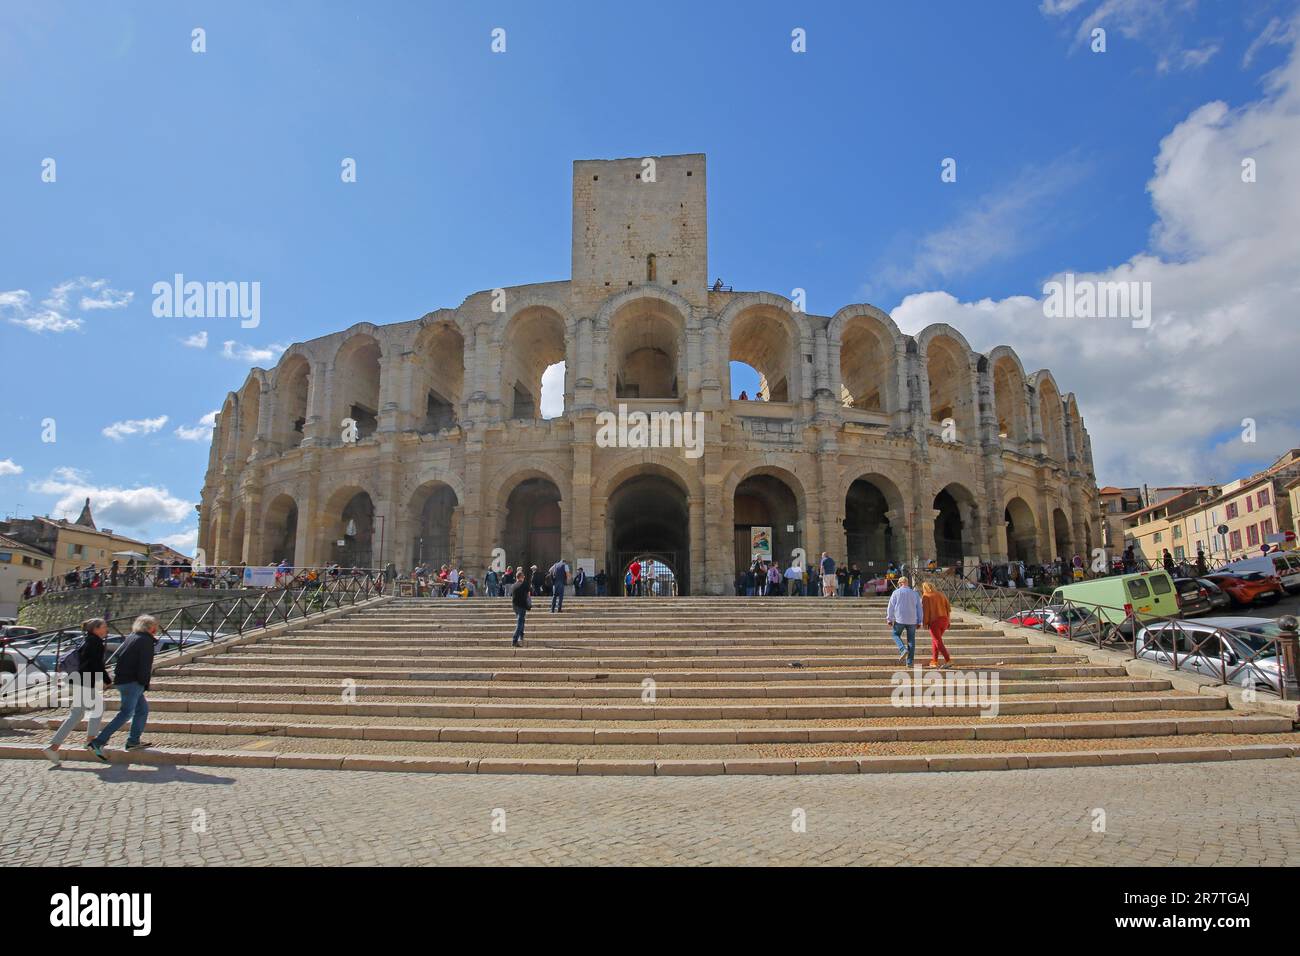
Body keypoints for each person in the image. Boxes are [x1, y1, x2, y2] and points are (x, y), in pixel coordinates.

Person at [43, 618, 112, 765]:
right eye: (105, 626)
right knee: (98, 707)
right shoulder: (95, 643)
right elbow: (96, 664)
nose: (107, 629)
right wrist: (107, 680)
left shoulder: (88, 641)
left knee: (77, 714)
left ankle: (53, 747)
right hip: (84, 681)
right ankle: (90, 741)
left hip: (79, 680)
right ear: (96, 629)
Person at [89, 614, 159, 760]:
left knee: (142, 710)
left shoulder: (132, 637)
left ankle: (133, 741)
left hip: (124, 680)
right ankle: (98, 742)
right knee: (126, 713)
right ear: (150, 627)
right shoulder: (145, 641)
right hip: (133, 682)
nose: (157, 627)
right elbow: (145, 665)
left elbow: (119, 657)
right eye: (155, 625)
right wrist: (143, 683)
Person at [885, 576, 923, 667]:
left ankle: (902, 649)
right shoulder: (915, 594)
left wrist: (889, 618)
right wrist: (919, 621)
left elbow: (891, 606)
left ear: (900, 583)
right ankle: (910, 662)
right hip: (912, 619)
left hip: (900, 619)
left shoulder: (896, 592)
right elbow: (919, 608)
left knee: (895, 634)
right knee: (911, 641)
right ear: (907, 583)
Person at [920, 582, 953, 669]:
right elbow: (948, 609)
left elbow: (926, 611)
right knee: (935, 641)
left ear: (924, 588)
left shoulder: (926, 596)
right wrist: (949, 621)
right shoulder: (941, 595)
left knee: (937, 641)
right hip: (944, 620)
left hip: (935, 621)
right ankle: (934, 661)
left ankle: (948, 660)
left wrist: (925, 623)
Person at [510, 570, 530, 647]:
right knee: (520, 623)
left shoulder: (513, 585)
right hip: (522, 606)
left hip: (515, 606)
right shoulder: (524, 584)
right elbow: (528, 595)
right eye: (524, 576)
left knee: (521, 620)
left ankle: (521, 635)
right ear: (521, 577)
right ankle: (514, 640)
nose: (524, 578)